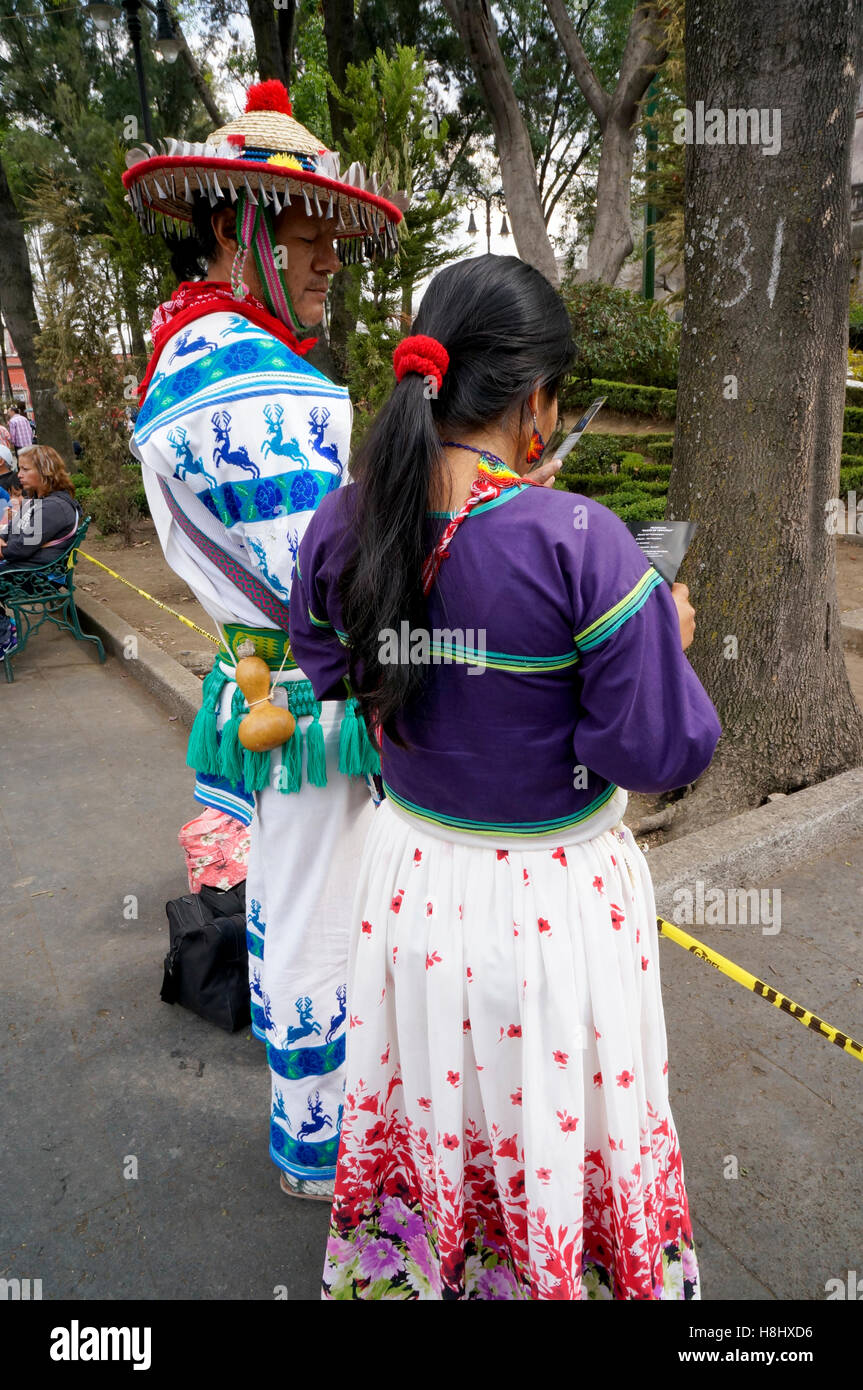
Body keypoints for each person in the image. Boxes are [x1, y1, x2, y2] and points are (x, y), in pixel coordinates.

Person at [289, 254, 722, 1300]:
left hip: (406, 889)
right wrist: (665, 641)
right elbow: (659, 753)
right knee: (551, 1130)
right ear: (534, 400)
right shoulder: (585, 546)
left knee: (434, 1124)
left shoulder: (345, 522)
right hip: (549, 911)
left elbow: (329, 668)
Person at [124, 80, 407, 1200]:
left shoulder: (214, 351)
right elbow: (322, 570)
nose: (332, 261)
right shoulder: (237, 375)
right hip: (309, 692)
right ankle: (323, 1140)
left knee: (311, 902)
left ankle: (327, 1124)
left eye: (337, 241)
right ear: (242, 239)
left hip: (284, 680)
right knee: (319, 912)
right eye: (309, 239)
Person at [0, 447, 80, 660]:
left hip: (38, 576)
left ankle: (4, 635)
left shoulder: (54, 507)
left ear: (45, 472)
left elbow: (17, 549)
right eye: (20, 469)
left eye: (26, 469)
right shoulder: (37, 501)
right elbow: (11, 533)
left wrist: (4, 545)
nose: (19, 474)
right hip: (25, 570)